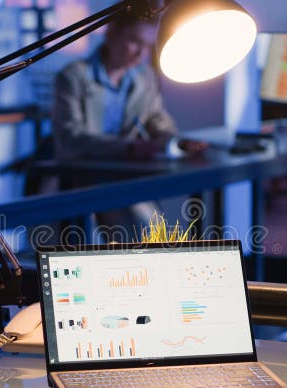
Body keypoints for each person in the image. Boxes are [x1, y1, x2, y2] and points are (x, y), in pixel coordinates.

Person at [51, 13, 206, 241]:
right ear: (111, 33)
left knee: (153, 232)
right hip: (85, 177)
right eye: (134, 41)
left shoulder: (144, 77)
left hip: (125, 176)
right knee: (144, 231)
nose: (141, 53)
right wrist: (128, 147)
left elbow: (156, 120)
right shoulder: (73, 76)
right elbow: (71, 138)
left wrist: (177, 141)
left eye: (147, 46)